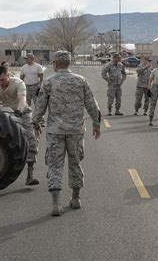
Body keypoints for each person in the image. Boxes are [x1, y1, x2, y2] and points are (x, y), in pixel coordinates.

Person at [32, 50, 101, 217]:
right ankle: (76, 198)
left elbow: (40, 106)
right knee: (75, 163)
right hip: (76, 131)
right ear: (69, 63)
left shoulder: (49, 82)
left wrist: (35, 123)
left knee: (55, 165)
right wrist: (96, 124)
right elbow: (92, 104)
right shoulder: (81, 81)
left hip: (55, 131)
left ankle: (56, 203)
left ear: (55, 63)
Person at [0, 65, 40, 186]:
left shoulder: (18, 83)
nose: (1, 82)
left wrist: (19, 110)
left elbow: (22, 99)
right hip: (5, 114)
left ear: (8, 75)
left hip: (22, 112)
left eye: (3, 79)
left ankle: (30, 174)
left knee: (31, 140)